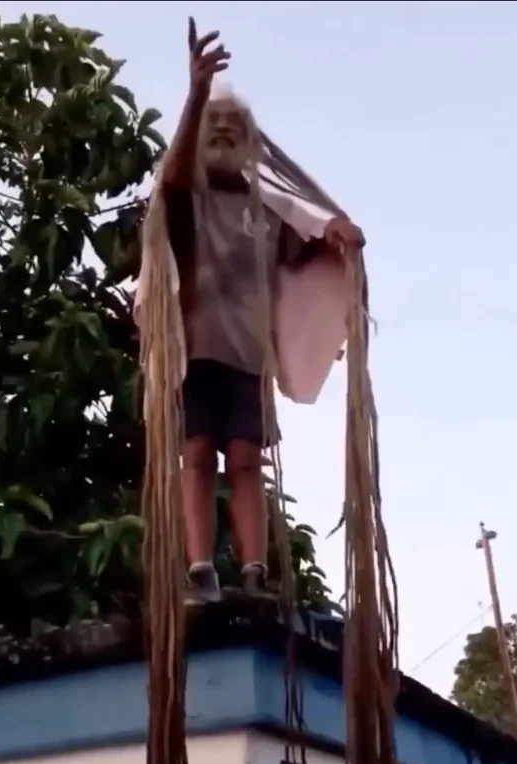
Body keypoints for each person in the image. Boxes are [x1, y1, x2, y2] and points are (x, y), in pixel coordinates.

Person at [156, 21, 365, 605]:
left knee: (247, 460)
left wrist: (336, 230)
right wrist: (196, 94)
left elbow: (311, 254)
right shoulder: (182, 196)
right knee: (195, 453)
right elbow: (171, 179)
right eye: (213, 126)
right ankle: (201, 569)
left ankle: (252, 571)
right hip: (193, 351)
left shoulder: (266, 210)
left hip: (249, 354)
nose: (222, 132)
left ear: (250, 142)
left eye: (233, 126)